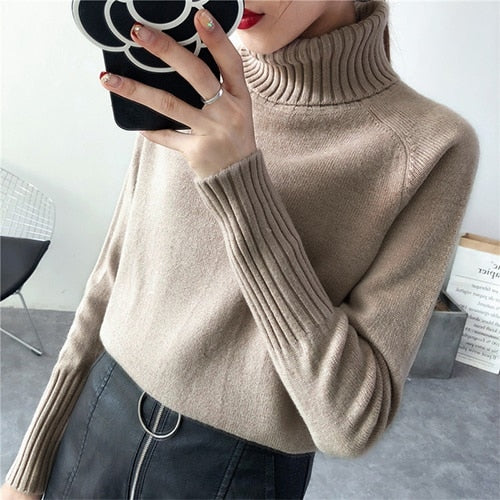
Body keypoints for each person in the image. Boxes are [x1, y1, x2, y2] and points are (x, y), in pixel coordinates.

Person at [1, 0, 480, 498]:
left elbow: (351, 423)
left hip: (234, 474)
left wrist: (238, 185)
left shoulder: (430, 147)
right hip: (96, 420)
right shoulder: (188, 75)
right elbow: (112, 277)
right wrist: (29, 465)